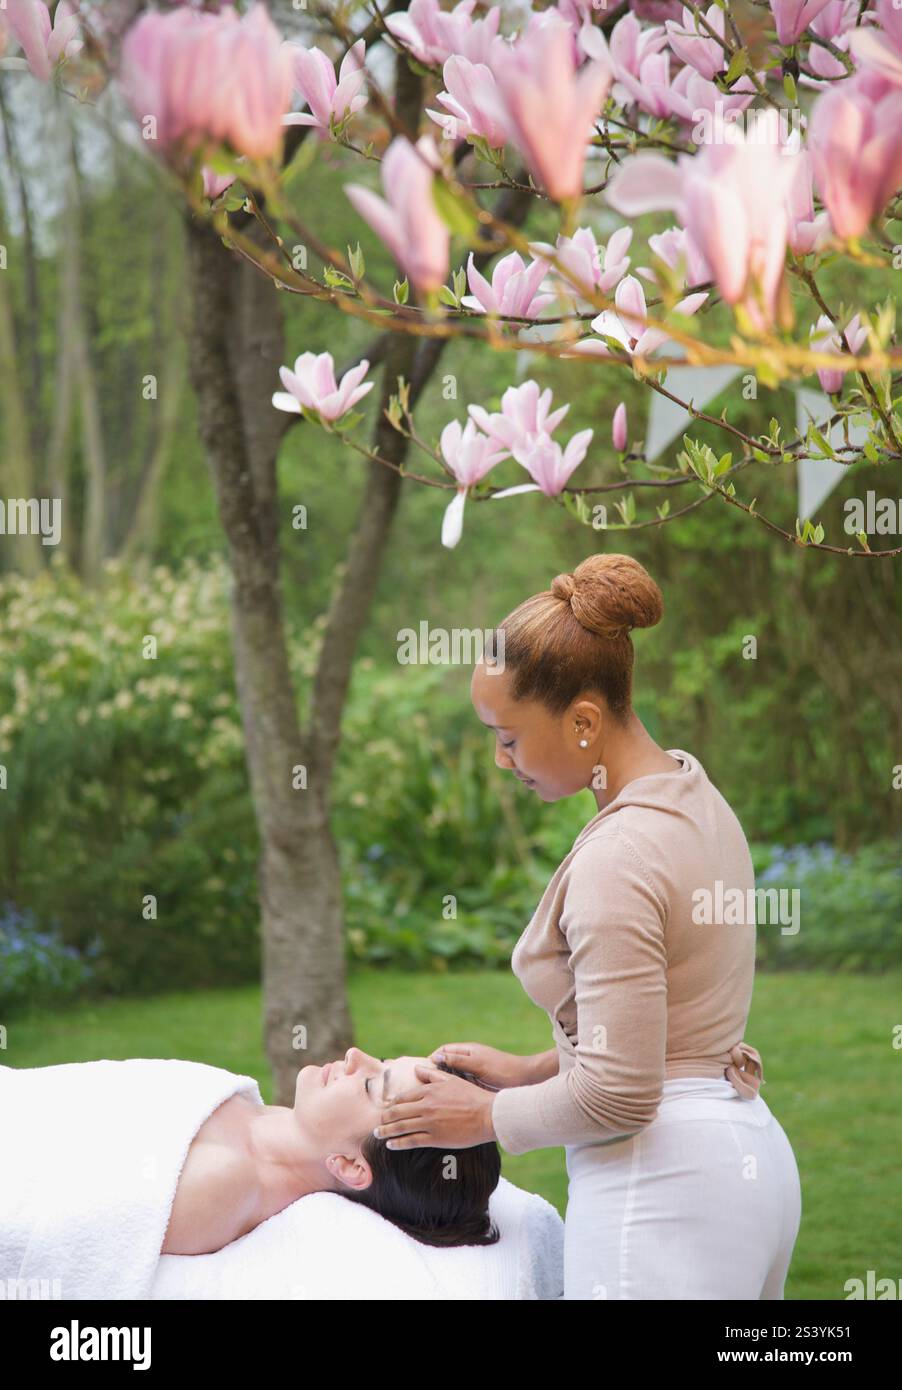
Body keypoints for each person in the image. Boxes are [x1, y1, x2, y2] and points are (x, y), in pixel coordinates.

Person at [374, 552, 803, 1300]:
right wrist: (536, 1068)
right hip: (748, 1160)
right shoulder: (693, 794)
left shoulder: (619, 857)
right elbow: (671, 1027)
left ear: (582, 722)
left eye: (508, 737)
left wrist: (480, 1116)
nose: (501, 761)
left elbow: (623, 1097)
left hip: (662, 1184)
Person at [161, 1050, 501, 1255]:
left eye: (372, 1086)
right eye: (382, 1061)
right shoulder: (252, 1121)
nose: (354, 1055)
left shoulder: (218, 1184)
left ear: (352, 1165)